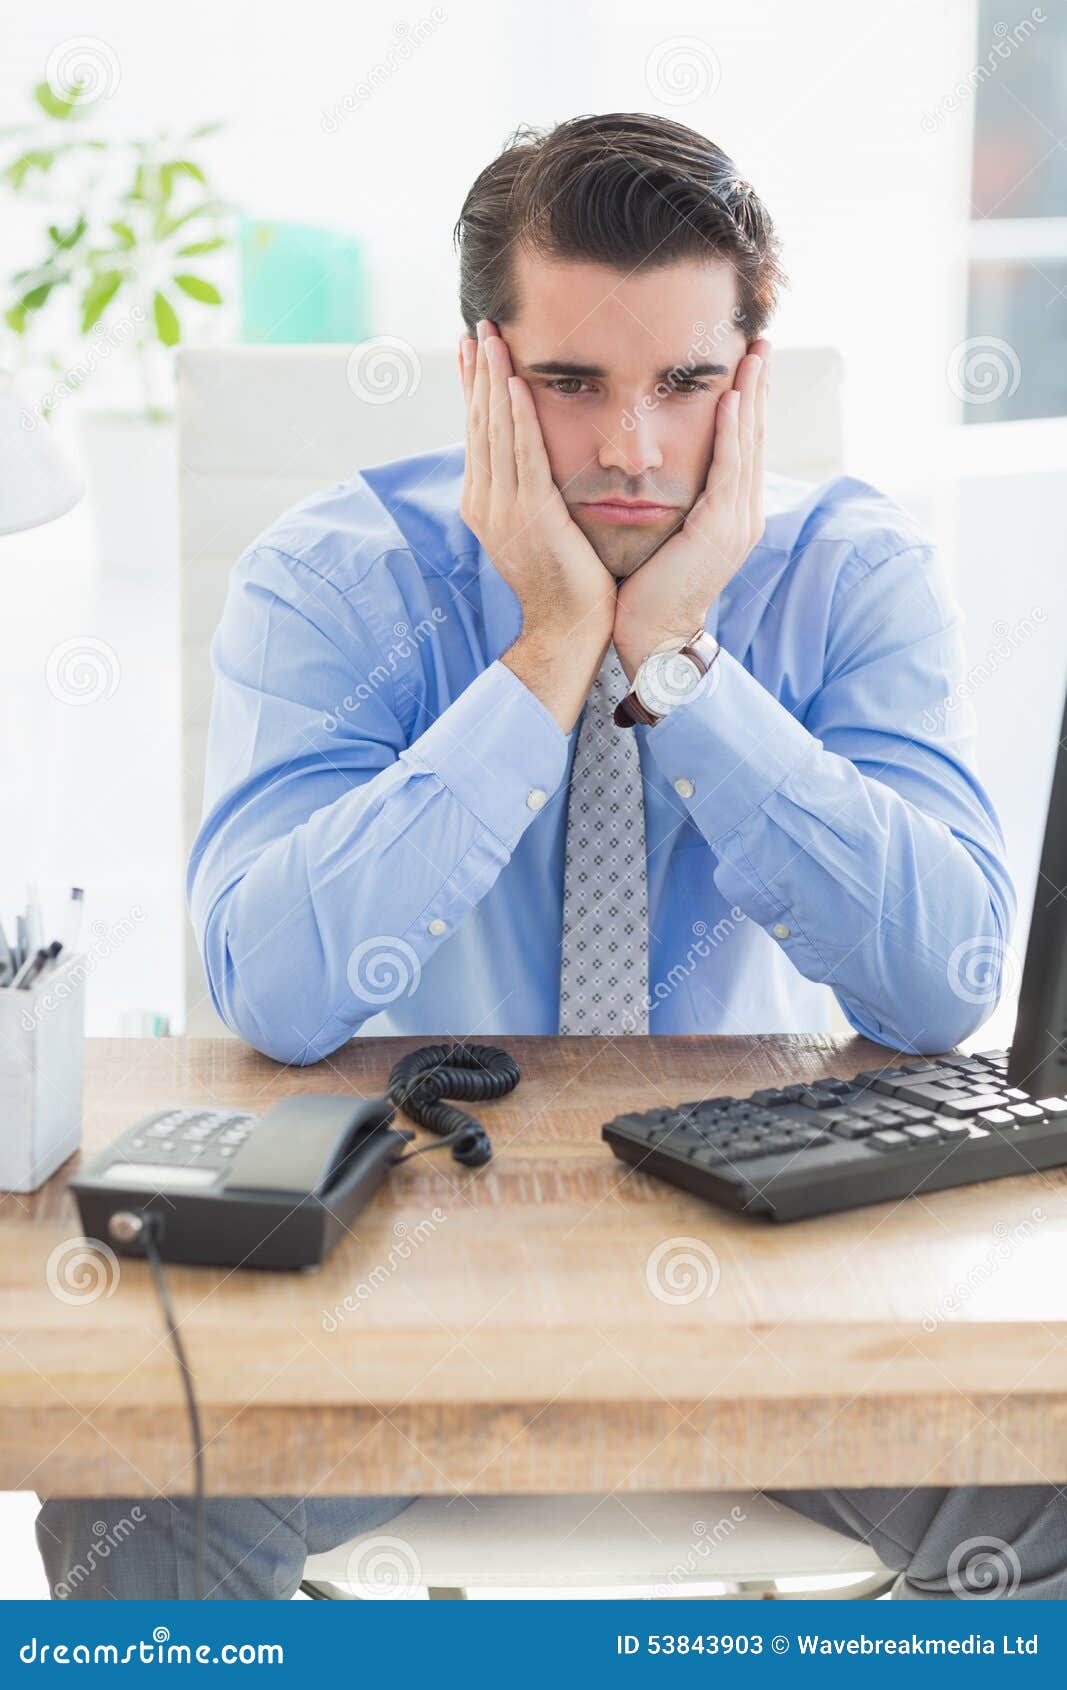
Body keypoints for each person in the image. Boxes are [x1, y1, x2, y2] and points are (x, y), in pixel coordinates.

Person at [38, 113, 1065, 1601]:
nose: (633, 449)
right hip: (407, 1273)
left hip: (774, 1263)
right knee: (138, 1489)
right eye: (571, 385)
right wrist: (552, 650)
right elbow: (273, 989)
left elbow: (943, 983)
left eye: (686, 385)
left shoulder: (856, 573)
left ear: (751, 382)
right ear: (483, 372)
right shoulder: (332, 577)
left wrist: (681, 660)